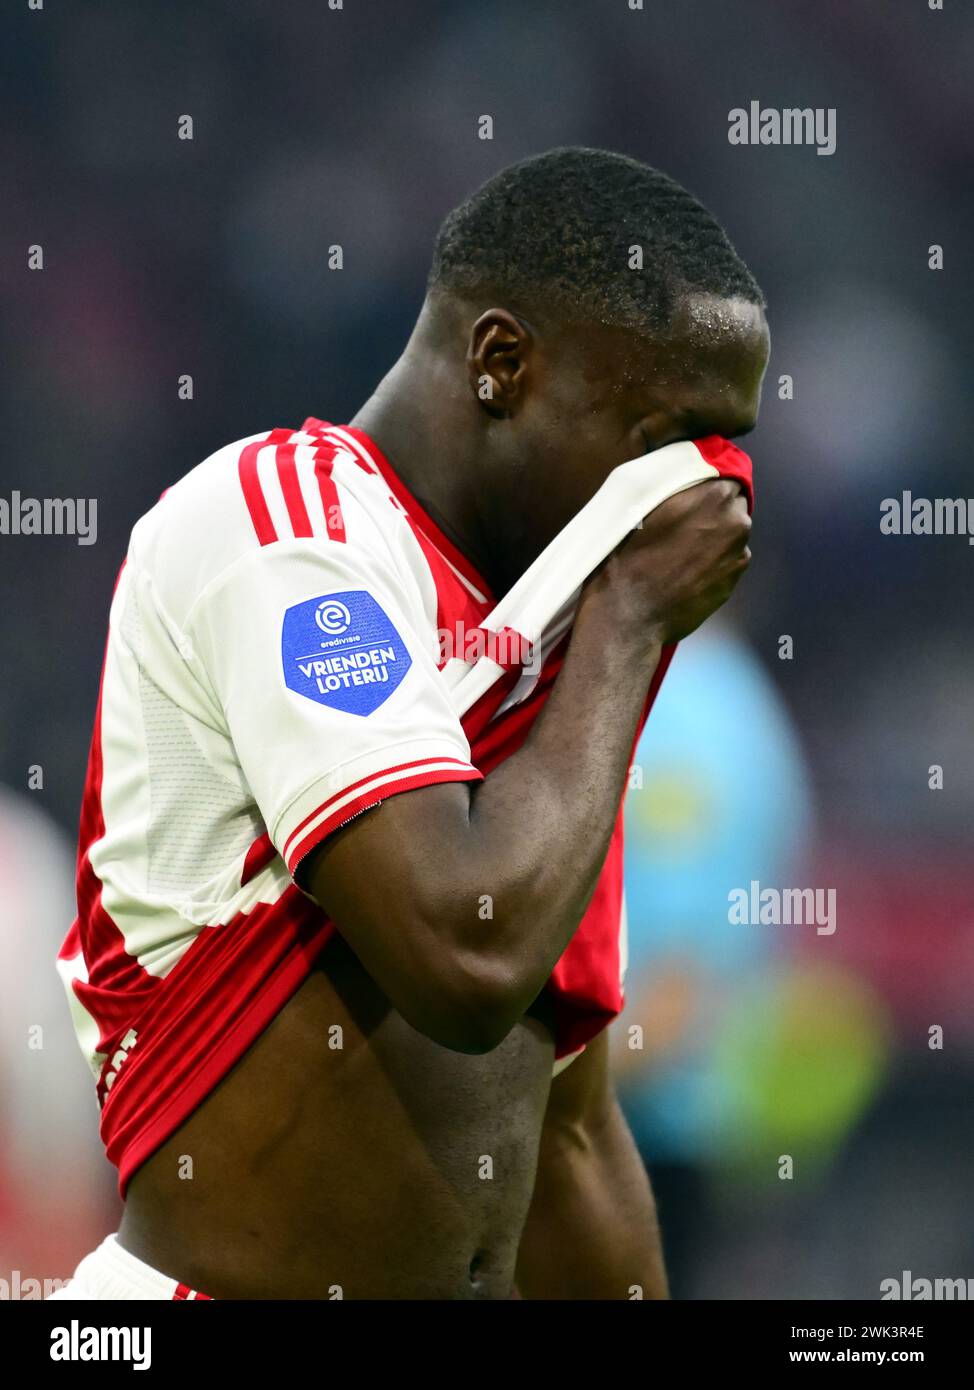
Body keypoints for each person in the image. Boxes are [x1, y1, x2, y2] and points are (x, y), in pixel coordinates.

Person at [52, 147, 768, 1300]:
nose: (709, 495)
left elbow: (568, 1130)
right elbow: (465, 954)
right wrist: (631, 621)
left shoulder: (544, 647)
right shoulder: (284, 531)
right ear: (500, 364)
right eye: (663, 442)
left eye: (727, 448)